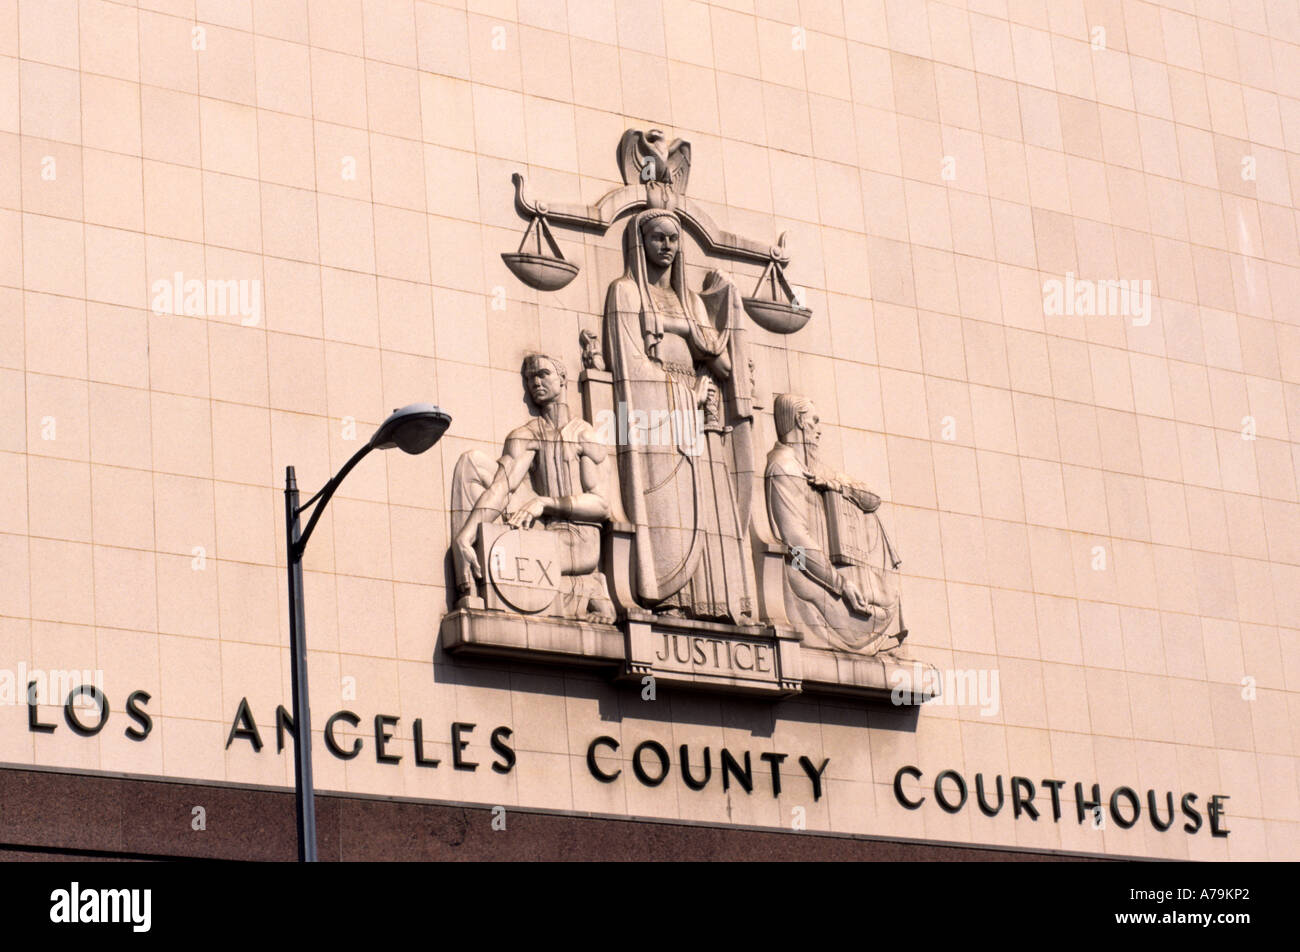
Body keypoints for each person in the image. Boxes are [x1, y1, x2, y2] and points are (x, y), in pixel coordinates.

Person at [602, 208, 755, 622]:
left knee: (708, 503)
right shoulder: (626, 293)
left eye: (673, 239)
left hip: (697, 413)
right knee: (672, 505)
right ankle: (670, 597)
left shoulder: (689, 301)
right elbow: (631, 369)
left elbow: (722, 367)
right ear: (641, 242)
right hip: (660, 419)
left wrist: (724, 314)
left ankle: (715, 603)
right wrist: (684, 392)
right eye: (658, 238)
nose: (667, 246)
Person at [451, 353, 614, 619]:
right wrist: (465, 536)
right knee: (471, 464)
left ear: (562, 379)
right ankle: (468, 578)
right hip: (543, 531)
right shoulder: (526, 435)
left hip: (579, 542)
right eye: (529, 378)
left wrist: (544, 503)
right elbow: (501, 487)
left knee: (504, 555)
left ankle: (590, 587)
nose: (535, 382)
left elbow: (601, 504)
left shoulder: (584, 435)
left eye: (543, 374)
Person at [765, 394, 901, 654]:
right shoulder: (785, 467)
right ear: (799, 421)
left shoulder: (810, 468)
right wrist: (841, 584)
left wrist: (837, 485)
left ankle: (885, 618)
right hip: (807, 575)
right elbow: (796, 541)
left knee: (873, 528)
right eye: (814, 421)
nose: (819, 429)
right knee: (875, 601)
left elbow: (872, 500)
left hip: (825, 571)